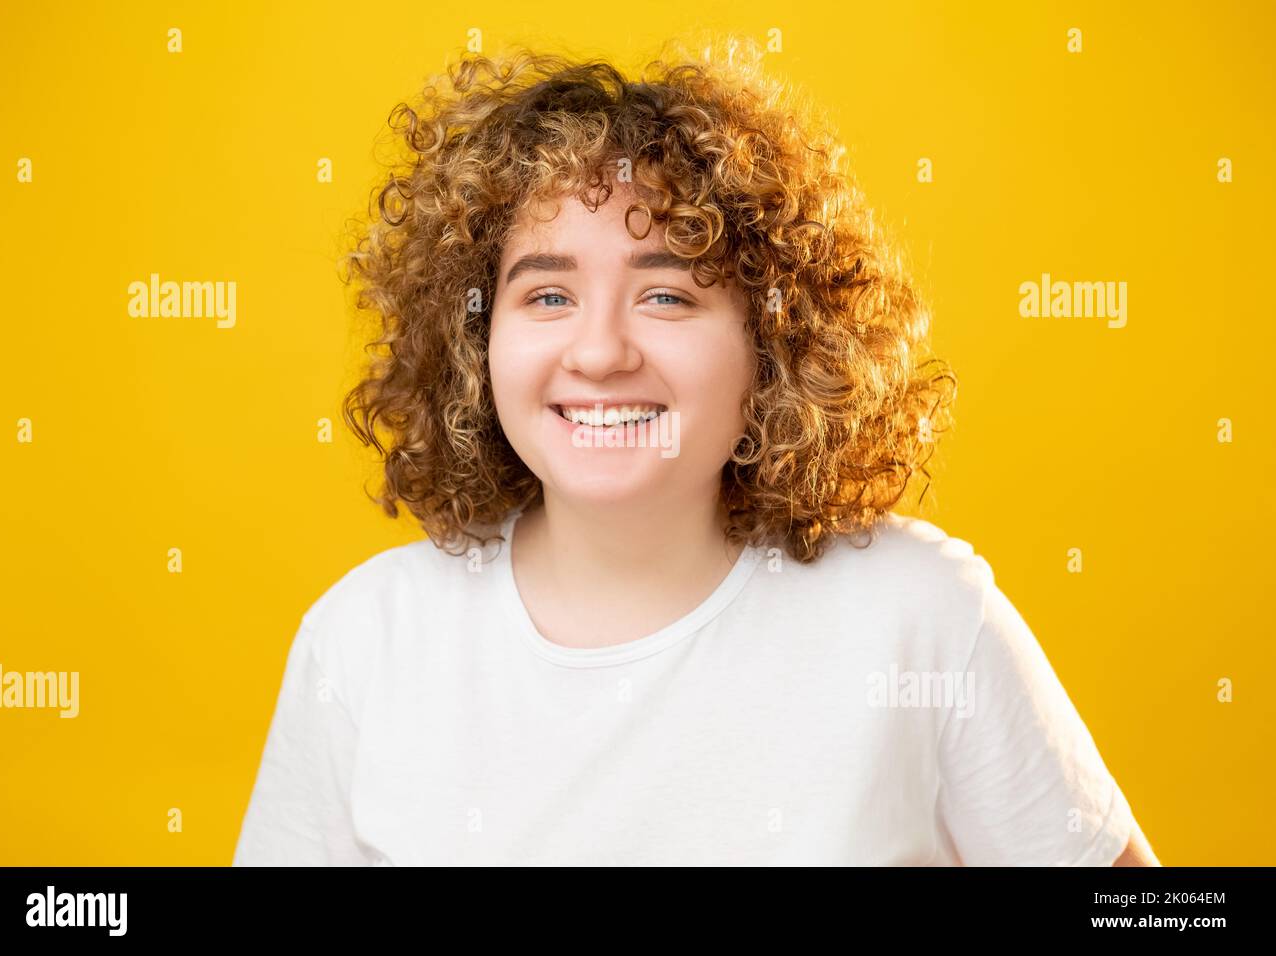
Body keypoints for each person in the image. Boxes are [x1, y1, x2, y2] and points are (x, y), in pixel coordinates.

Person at [232, 39, 1159, 866]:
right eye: (547, 296)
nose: (598, 352)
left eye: (667, 296)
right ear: (475, 341)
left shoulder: (917, 618)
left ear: (771, 342)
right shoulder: (364, 644)